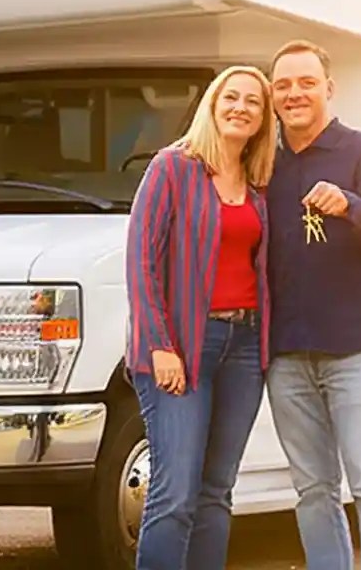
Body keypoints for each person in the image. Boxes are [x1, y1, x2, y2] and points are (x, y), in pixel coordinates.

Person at [265, 39, 361, 570]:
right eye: (282, 85)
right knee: (313, 489)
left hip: (357, 350)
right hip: (286, 355)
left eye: (306, 82)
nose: (294, 93)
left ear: (329, 88)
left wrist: (349, 204)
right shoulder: (267, 165)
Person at [124, 65, 279, 570]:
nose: (240, 107)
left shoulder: (259, 183)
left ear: (262, 117)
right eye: (230, 97)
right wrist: (158, 345)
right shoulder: (173, 167)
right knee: (175, 493)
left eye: (252, 101)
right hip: (184, 345)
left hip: (245, 346)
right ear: (212, 106)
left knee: (217, 491)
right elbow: (141, 261)